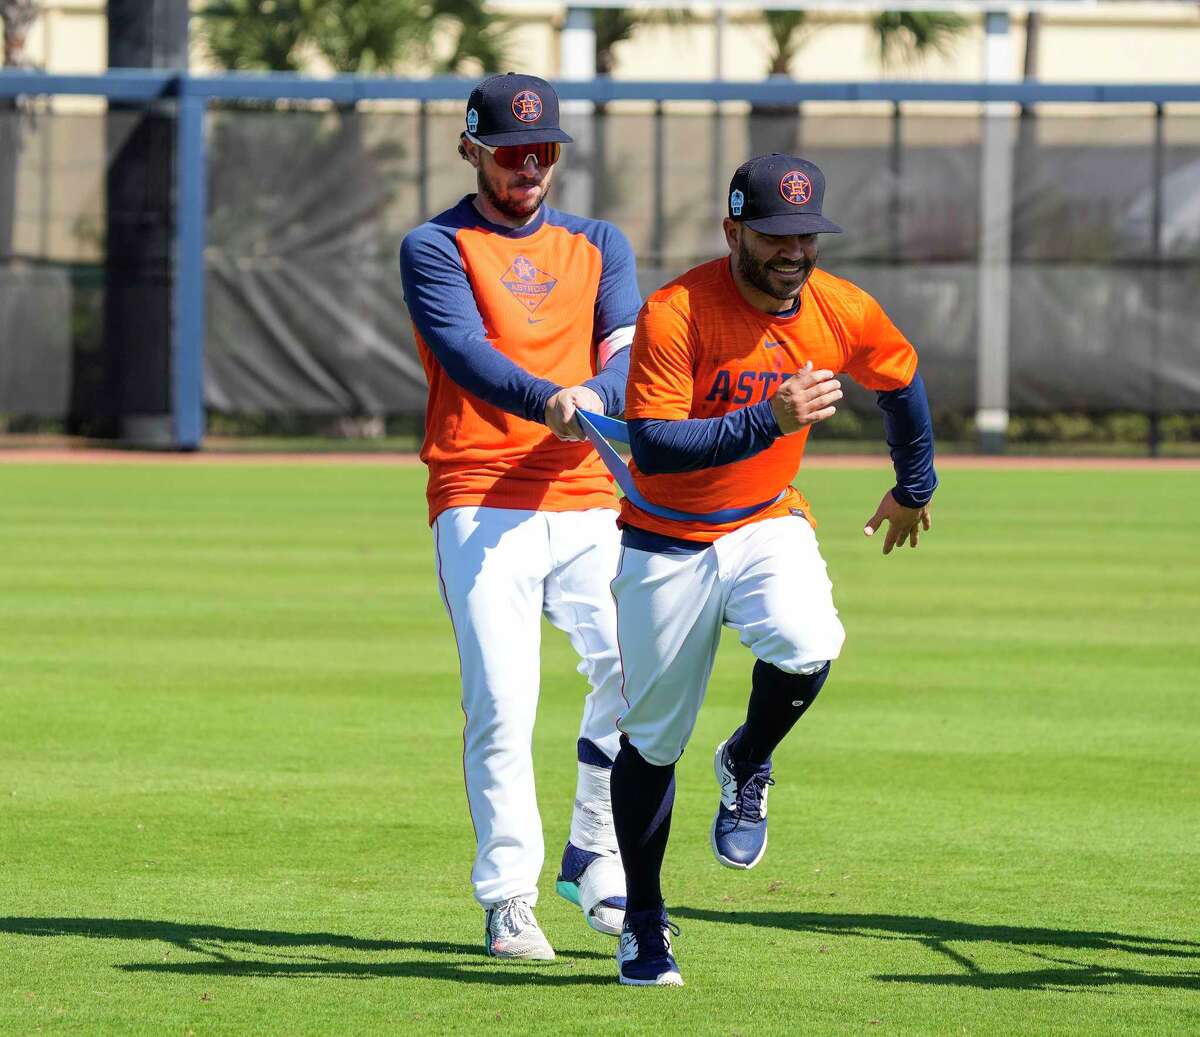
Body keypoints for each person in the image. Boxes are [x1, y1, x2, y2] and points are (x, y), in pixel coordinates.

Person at [605, 154, 938, 986]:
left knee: (809, 638)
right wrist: (769, 416)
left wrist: (914, 485)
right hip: (665, 534)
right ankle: (643, 923)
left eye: (805, 234)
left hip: (764, 520)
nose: (792, 250)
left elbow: (901, 383)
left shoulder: (840, 308)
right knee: (651, 741)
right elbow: (654, 446)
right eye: (774, 233)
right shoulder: (676, 309)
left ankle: (748, 758)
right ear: (733, 231)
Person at [398, 73, 641, 960]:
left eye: (542, 152)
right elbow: (464, 352)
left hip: (586, 495)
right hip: (478, 493)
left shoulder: (599, 242)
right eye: (510, 152)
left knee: (634, 677)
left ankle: (595, 850)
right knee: (503, 698)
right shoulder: (434, 245)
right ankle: (509, 895)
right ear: (472, 150)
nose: (528, 167)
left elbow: (626, 349)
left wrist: (595, 394)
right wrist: (549, 397)